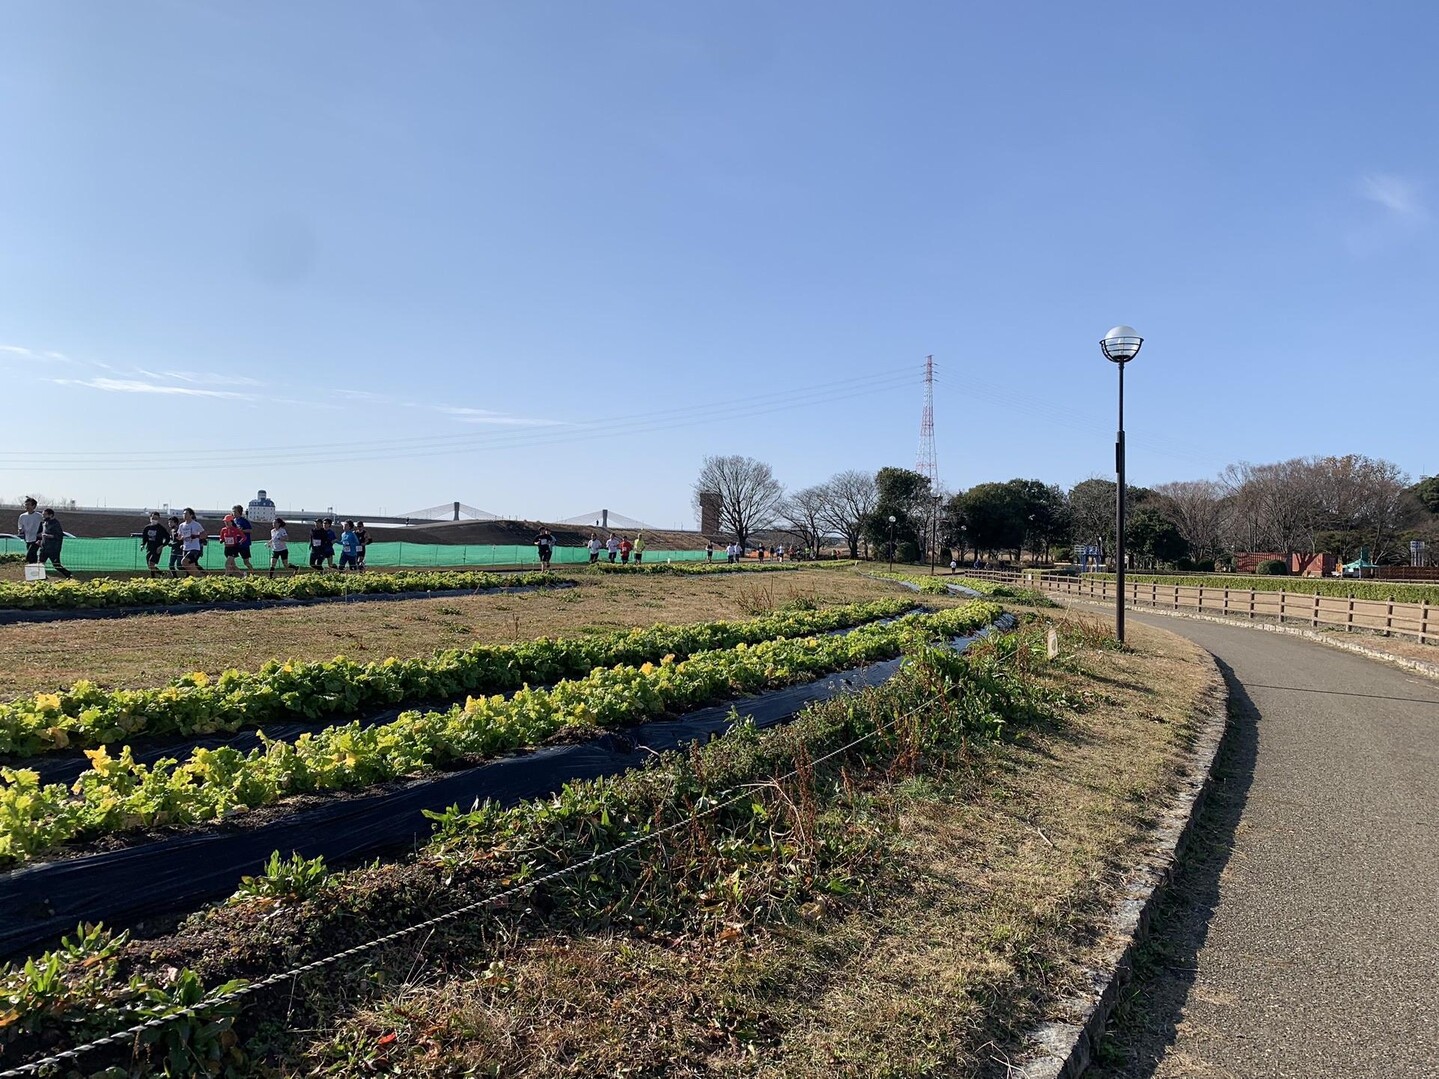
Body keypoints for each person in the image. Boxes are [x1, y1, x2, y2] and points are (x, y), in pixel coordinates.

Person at [36, 508, 74, 579]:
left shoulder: (55, 524)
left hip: (53, 548)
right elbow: (43, 534)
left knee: (56, 565)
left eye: (45, 515)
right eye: (43, 515)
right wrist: (40, 540)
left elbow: (59, 535)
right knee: (40, 563)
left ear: (51, 515)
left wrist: (49, 536)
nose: (43, 516)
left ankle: (68, 574)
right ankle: (42, 577)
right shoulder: (44, 523)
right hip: (44, 547)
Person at [176, 508, 206, 576]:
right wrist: (180, 538)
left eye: (186, 514)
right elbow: (179, 537)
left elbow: (204, 535)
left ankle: (200, 575)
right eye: (183, 514)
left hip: (194, 548)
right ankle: (199, 577)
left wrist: (196, 536)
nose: (184, 515)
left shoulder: (196, 524)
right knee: (191, 565)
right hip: (185, 547)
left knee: (184, 562)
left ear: (191, 515)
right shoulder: (181, 525)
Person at [140, 512, 170, 577]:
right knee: (150, 566)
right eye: (153, 518)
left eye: (156, 518)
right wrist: (142, 544)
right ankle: (162, 574)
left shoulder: (161, 528)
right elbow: (144, 538)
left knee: (151, 563)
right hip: (149, 548)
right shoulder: (147, 528)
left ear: (158, 519)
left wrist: (162, 546)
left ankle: (153, 578)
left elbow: (167, 538)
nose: (154, 519)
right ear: (150, 518)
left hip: (157, 549)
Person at [230, 505, 255, 574]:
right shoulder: (233, 521)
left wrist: (241, 531)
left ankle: (253, 573)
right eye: (233, 511)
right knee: (231, 560)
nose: (233, 513)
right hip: (236, 543)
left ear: (239, 512)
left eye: (235, 511)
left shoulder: (244, 521)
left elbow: (250, 530)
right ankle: (239, 573)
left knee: (246, 562)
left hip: (244, 544)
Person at [17, 498, 42, 565]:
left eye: (28, 505)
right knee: (32, 556)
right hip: (27, 538)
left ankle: (34, 567)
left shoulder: (39, 516)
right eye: (26, 505)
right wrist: (20, 530)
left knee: (30, 554)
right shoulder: (22, 516)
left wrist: (41, 535)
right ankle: (34, 569)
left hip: (37, 539)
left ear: (33, 506)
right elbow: (20, 526)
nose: (26, 506)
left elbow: (44, 525)